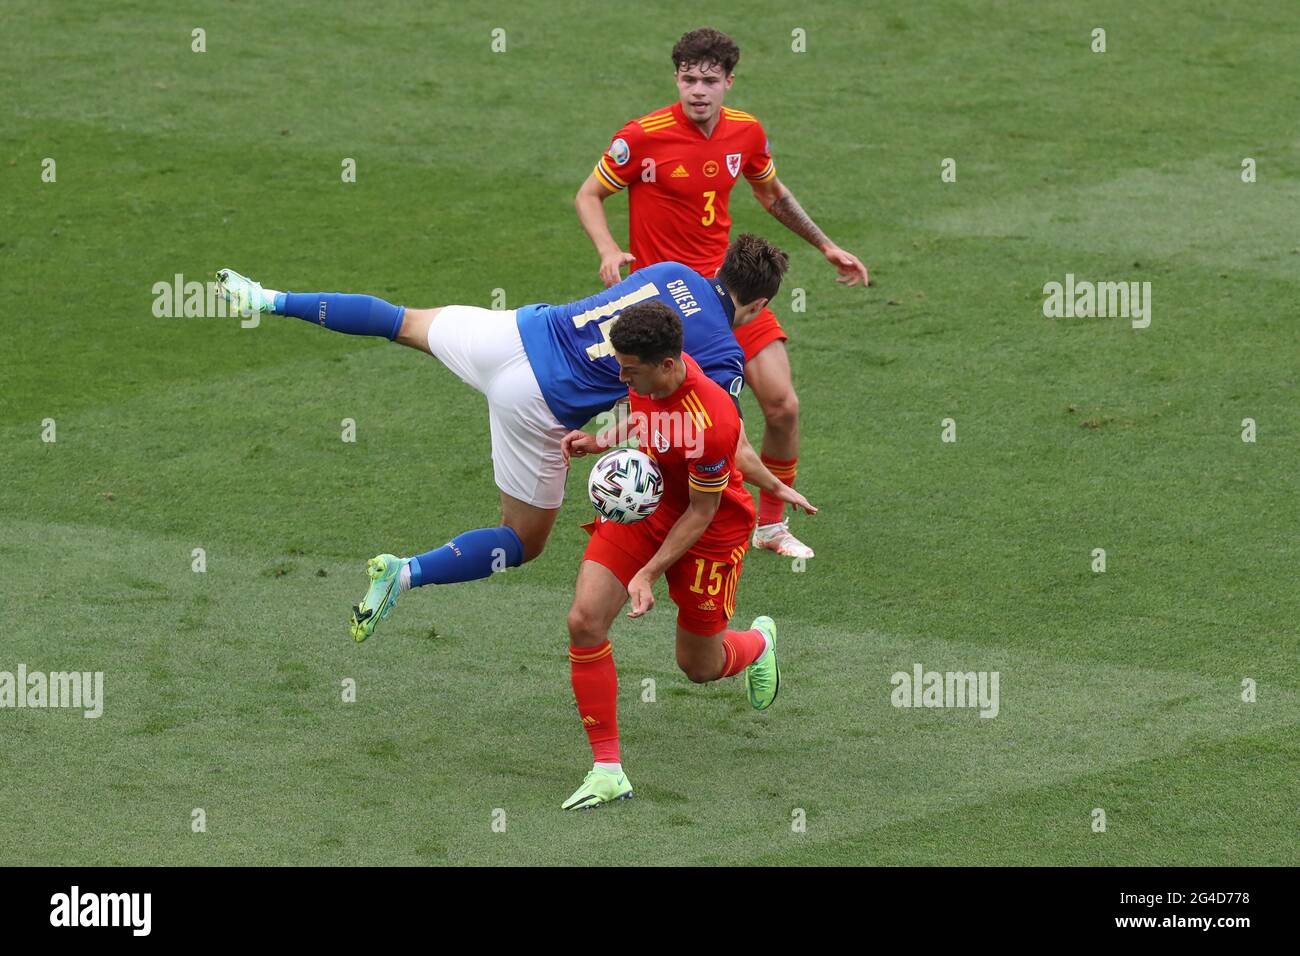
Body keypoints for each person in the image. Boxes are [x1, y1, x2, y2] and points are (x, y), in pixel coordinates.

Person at [213, 235, 809, 641]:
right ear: (758, 305)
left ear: (720, 266)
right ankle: (404, 572)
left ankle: (266, 297)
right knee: (523, 540)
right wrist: (776, 496)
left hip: (513, 331)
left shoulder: (671, 271)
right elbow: (723, 439)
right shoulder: (725, 352)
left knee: (399, 320)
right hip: (538, 401)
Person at [574, 26, 869, 560]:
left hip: (728, 292)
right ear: (677, 79)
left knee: (782, 406)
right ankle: (644, 520)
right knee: (685, 421)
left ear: (729, 81)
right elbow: (589, 194)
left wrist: (825, 245)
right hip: (666, 304)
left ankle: (771, 526)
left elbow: (772, 194)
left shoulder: (747, 133)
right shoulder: (642, 136)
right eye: (688, 79)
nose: (698, 91)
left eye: (710, 80)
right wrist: (607, 248)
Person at [557, 300, 817, 810]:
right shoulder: (649, 374)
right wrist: (601, 440)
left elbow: (701, 511)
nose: (621, 375)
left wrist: (648, 575)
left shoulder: (712, 418)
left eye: (630, 369)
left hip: (710, 531)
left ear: (668, 365)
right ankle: (608, 769)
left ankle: (758, 645)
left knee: (699, 666)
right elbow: (646, 418)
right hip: (647, 509)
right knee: (585, 621)